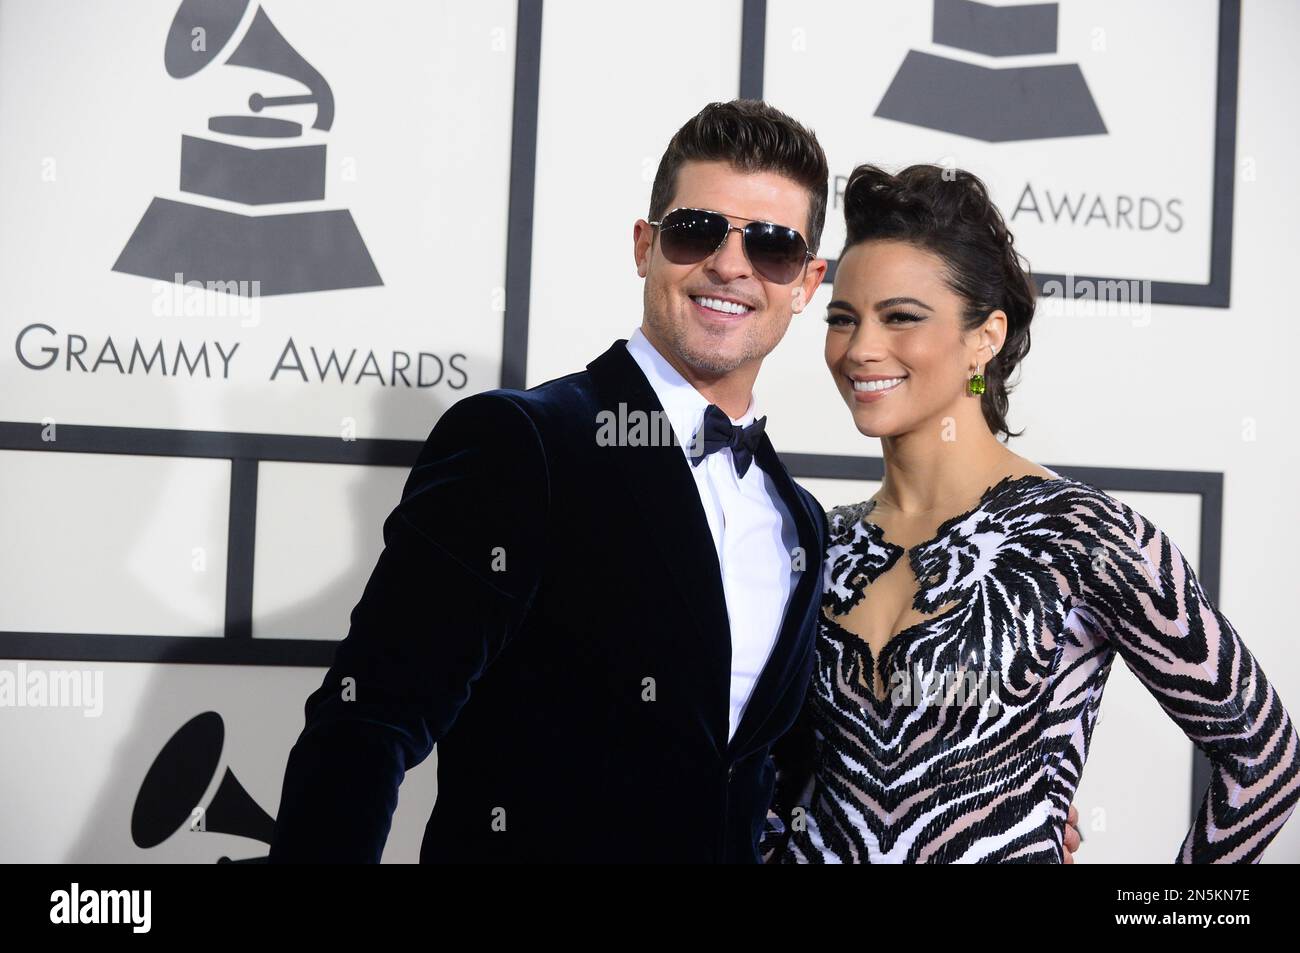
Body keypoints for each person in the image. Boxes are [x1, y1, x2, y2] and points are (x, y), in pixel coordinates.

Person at [268, 99, 836, 862]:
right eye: (697, 230)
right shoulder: (524, 444)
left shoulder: (800, 519)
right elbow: (368, 723)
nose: (730, 265)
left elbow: (774, 775)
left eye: (772, 246)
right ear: (645, 246)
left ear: (805, 281)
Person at [767, 163, 1300, 863]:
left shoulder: (1083, 534)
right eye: (843, 318)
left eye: (901, 317)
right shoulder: (819, 538)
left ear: (985, 336)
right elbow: (773, 783)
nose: (861, 348)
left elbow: (1262, 756)